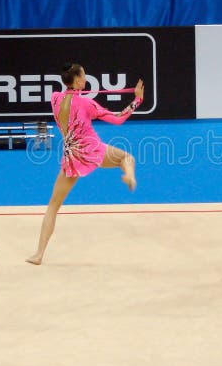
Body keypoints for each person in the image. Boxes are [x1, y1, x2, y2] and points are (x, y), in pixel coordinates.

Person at [26, 63, 144, 265]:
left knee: (53, 205)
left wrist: (76, 94)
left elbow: (69, 100)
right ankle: (129, 175)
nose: (86, 78)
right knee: (127, 158)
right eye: (84, 75)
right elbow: (117, 119)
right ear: (79, 80)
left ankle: (38, 254)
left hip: (71, 155)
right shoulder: (86, 104)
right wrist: (137, 100)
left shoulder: (54, 99)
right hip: (91, 149)